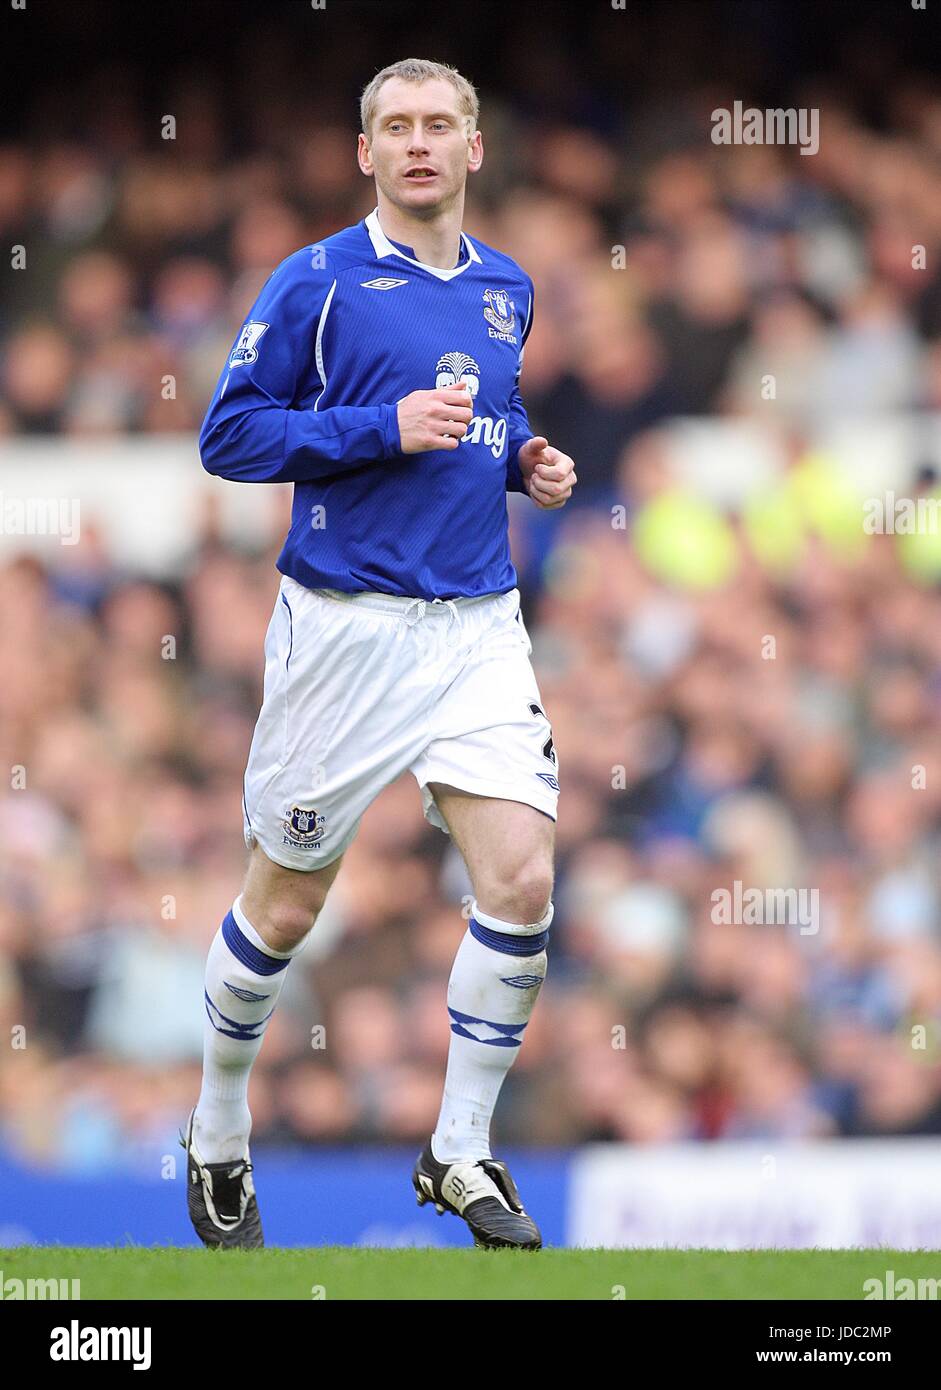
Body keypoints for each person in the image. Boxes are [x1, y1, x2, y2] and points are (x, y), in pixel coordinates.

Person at [185, 57, 577, 1251]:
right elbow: (229, 435)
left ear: (472, 149)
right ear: (364, 153)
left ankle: (458, 1149)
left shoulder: (507, 286)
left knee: (519, 882)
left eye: (439, 125)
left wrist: (521, 461)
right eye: (394, 127)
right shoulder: (316, 281)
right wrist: (379, 429)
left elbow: (482, 414)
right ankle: (215, 1133)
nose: (417, 143)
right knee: (287, 906)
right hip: (345, 632)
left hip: (475, 626)